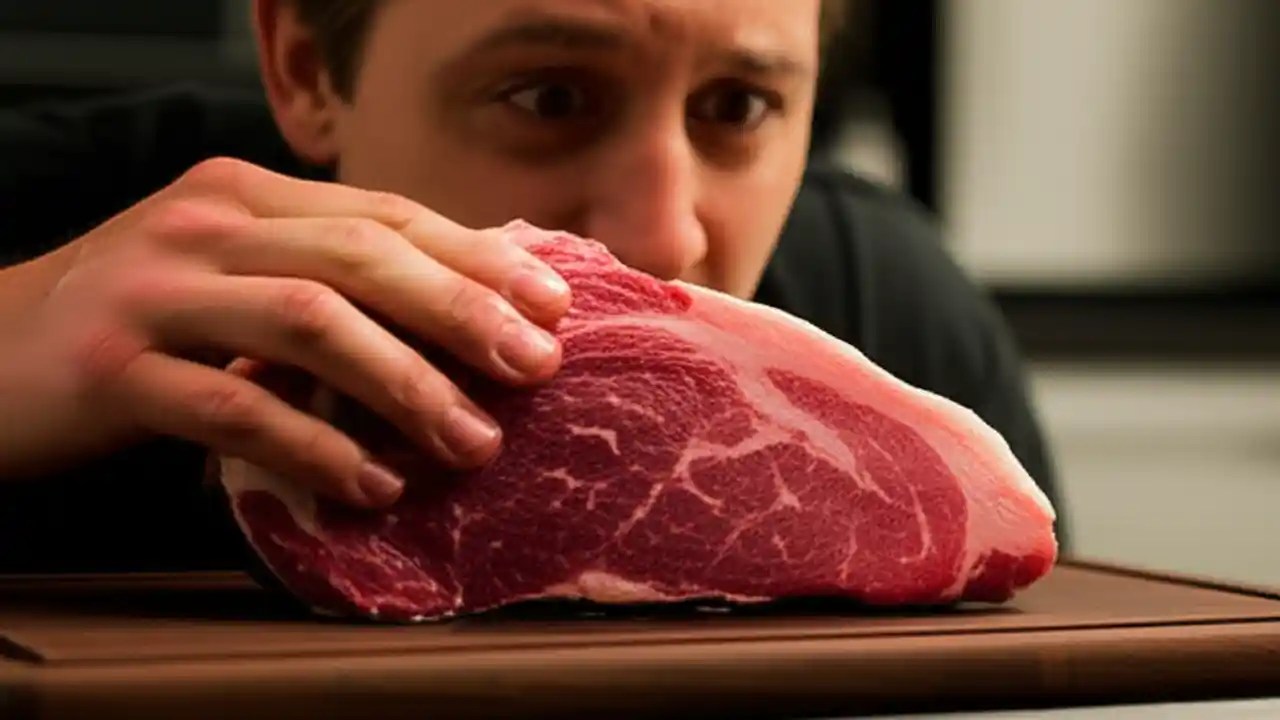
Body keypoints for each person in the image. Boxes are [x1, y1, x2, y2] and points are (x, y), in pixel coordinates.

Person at [0, 0, 1062, 573]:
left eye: (736, 108)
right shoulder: (45, 226)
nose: (662, 234)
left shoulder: (880, 307)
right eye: (549, 96)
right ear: (309, 71)